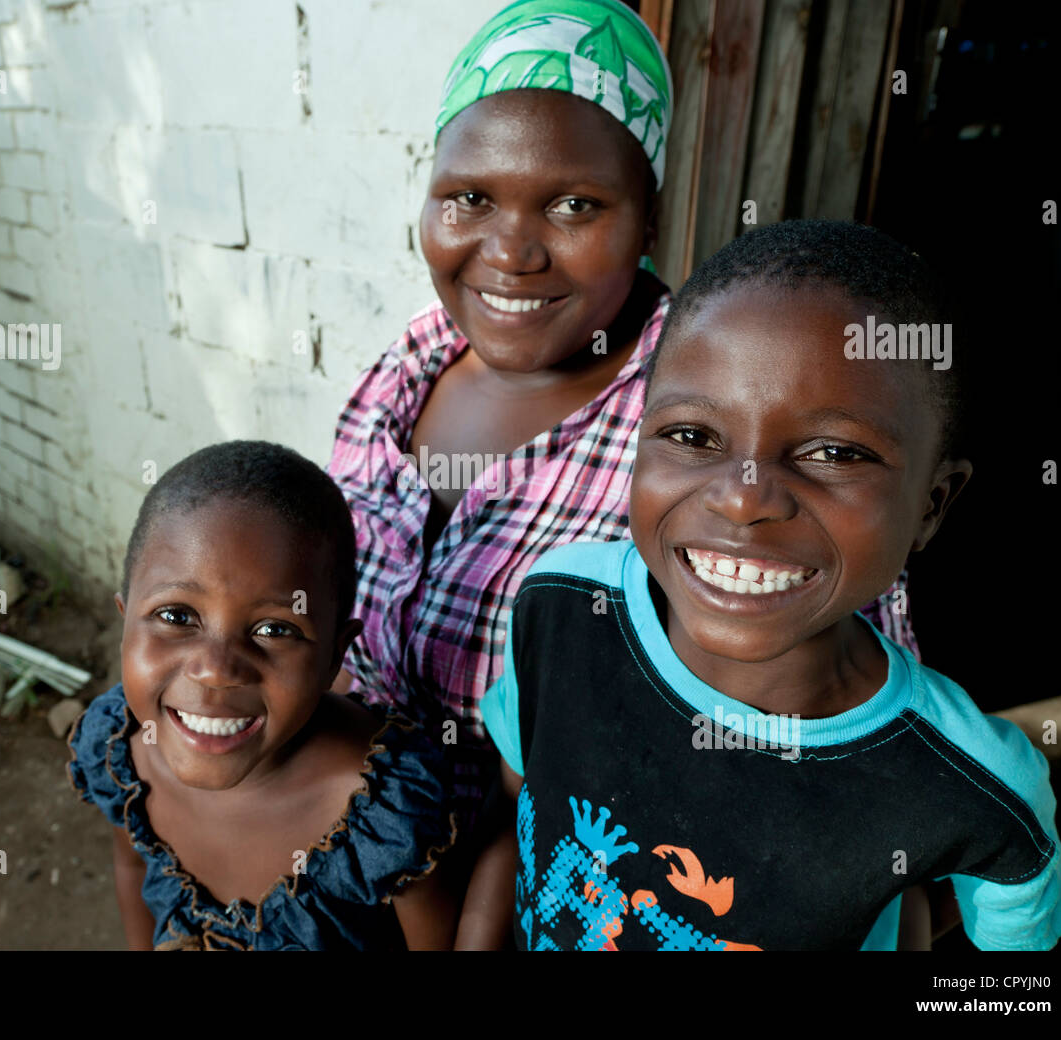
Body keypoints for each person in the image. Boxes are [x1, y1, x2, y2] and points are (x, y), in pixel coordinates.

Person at [327, 0, 917, 831]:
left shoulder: (717, 424)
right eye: (470, 197)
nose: (510, 252)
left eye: (573, 206)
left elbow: (839, 731)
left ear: (651, 218)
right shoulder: (406, 368)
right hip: (353, 859)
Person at [459, 220, 1061, 950]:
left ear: (932, 505)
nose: (745, 498)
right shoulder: (563, 604)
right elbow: (519, 815)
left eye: (833, 452)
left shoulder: (974, 784)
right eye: (692, 436)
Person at [67, 442, 459, 950]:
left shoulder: (383, 809)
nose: (215, 670)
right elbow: (130, 868)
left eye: (275, 629)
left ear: (336, 656)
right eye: (176, 616)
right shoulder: (120, 752)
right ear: (124, 618)